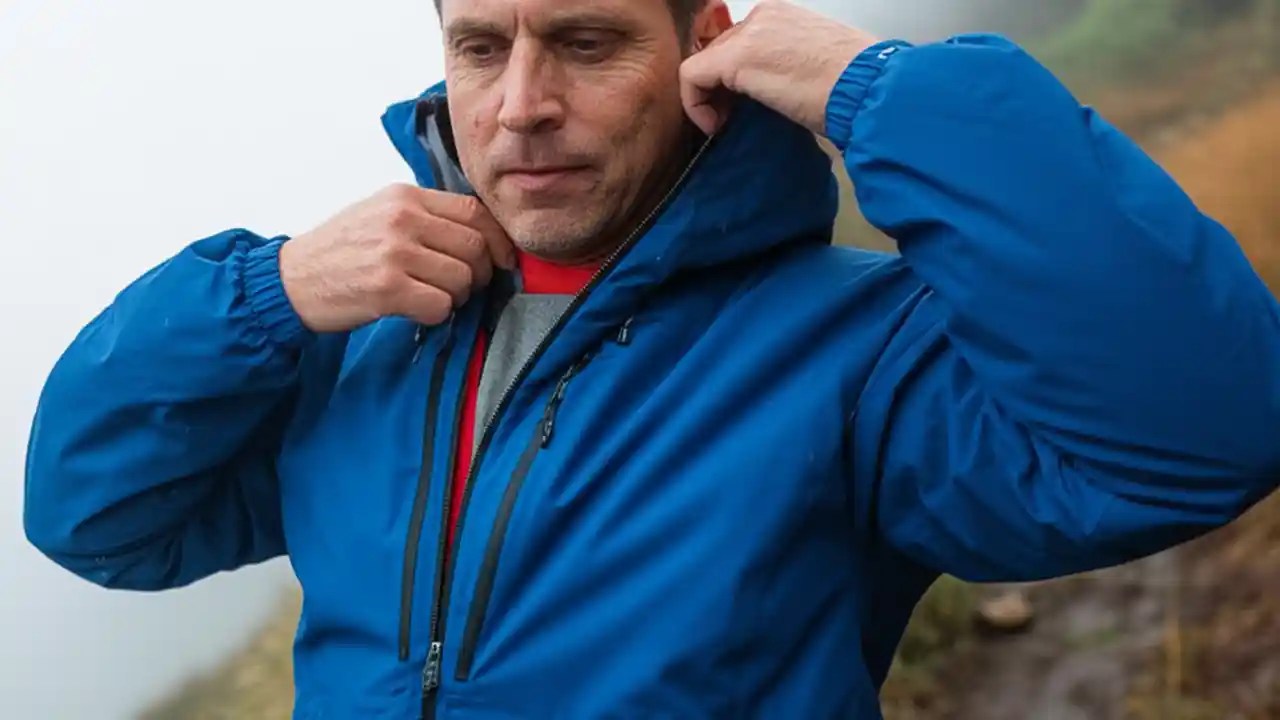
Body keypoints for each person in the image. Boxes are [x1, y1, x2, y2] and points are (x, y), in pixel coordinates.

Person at [22, 0, 1280, 717]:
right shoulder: (360, 347)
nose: (518, 103)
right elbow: (96, 515)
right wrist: (264, 290)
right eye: (478, 48)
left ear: (705, 49)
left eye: (583, 40)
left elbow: (1200, 433)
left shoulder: (856, 349)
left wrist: (880, 92)